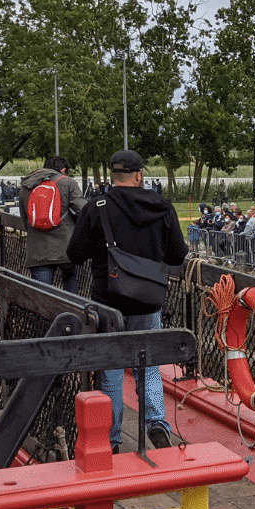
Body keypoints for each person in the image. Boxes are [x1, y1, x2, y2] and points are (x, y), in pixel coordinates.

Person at [67, 150, 187, 453]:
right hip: (148, 300)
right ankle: (157, 424)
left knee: (111, 371)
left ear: (112, 176)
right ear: (139, 175)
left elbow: (74, 253)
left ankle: (111, 438)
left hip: (109, 301)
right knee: (149, 367)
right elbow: (176, 254)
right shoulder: (162, 207)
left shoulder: (98, 206)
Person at [19, 156, 85, 292]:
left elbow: (25, 218)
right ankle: (71, 311)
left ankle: (46, 313)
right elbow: (83, 211)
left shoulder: (27, 185)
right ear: (64, 170)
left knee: (43, 294)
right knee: (69, 280)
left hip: (38, 250)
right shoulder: (68, 183)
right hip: (66, 248)